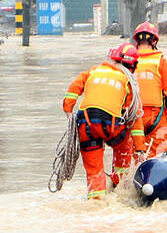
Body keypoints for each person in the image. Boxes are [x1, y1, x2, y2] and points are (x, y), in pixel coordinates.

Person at [62, 45, 144, 200]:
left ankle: (96, 201)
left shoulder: (93, 71)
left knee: (94, 169)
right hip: (111, 126)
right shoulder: (128, 82)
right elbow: (135, 120)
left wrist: (68, 109)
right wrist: (140, 150)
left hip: (86, 125)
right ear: (133, 66)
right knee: (125, 145)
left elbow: (73, 89)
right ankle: (120, 186)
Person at [130, 21, 167, 159]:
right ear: (154, 41)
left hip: (132, 116)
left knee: (130, 153)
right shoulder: (159, 61)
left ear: (136, 41)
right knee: (159, 153)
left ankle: (123, 179)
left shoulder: (127, 61)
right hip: (155, 116)